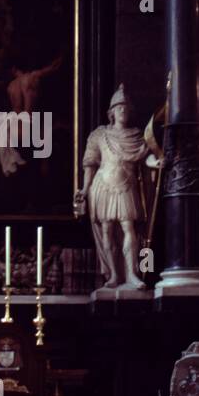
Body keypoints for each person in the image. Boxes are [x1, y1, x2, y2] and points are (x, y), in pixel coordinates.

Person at [74, 84, 149, 290]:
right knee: (107, 229)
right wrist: (84, 188)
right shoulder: (99, 134)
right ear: (112, 113)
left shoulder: (137, 136)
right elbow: (90, 164)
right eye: (119, 108)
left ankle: (133, 273)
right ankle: (114, 274)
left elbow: (146, 159)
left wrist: (156, 163)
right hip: (103, 185)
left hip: (127, 185)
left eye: (125, 108)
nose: (123, 111)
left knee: (128, 227)